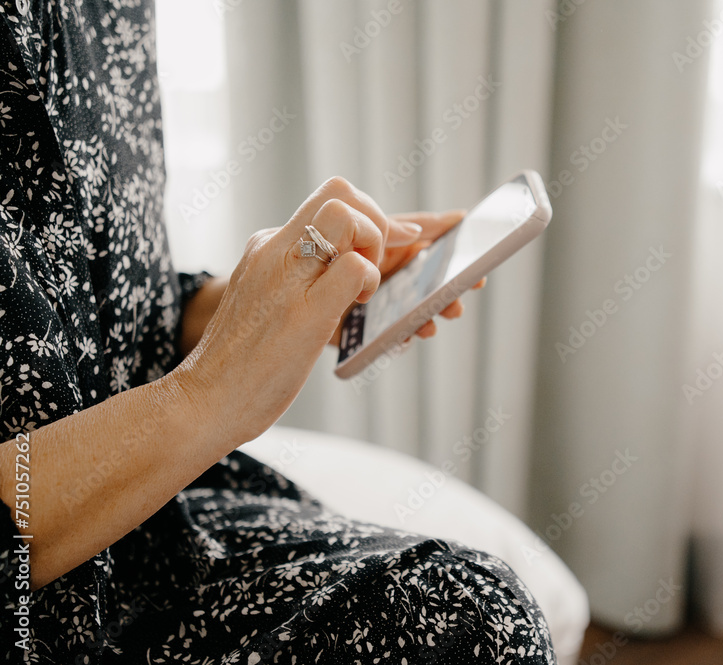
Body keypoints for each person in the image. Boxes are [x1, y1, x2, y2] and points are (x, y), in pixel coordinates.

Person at [0, 2, 556, 663]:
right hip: (40, 603)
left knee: (465, 607)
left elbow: (92, 320)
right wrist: (205, 400)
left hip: (143, 528)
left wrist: (266, 305)